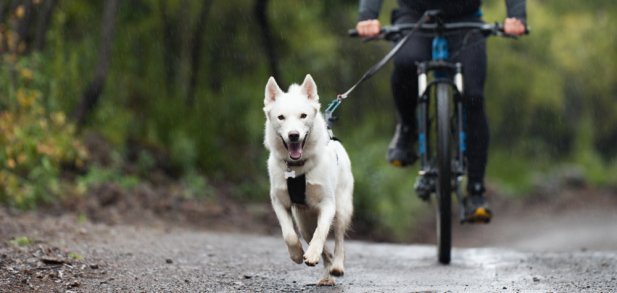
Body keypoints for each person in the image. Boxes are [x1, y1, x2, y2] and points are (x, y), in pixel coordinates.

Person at [355, 0, 527, 222]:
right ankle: (407, 129)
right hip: (415, 15)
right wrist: (367, 16)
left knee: (473, 96)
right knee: (407, 63)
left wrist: (517, 16)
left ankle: (476, 191)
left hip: (466, 19)